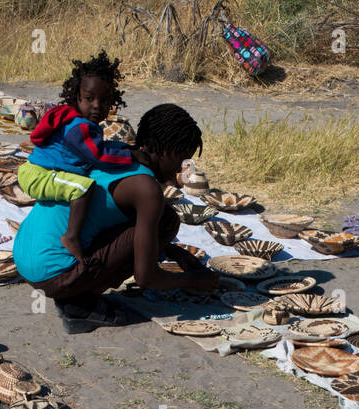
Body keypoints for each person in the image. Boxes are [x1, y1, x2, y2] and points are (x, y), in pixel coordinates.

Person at [13, 102, 219, 334]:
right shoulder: (147, 189)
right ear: (168, 151)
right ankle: (79, 305)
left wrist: (173, 252)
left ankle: (74, 292)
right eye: (182, 160)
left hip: (25, 254)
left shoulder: (117, 153)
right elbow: (146, 277)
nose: (182, 171)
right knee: (165, 222)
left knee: (158, 220)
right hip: (51, 274)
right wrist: (193, 280)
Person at [16, 51, 146, 262]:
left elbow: (99, 146)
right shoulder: (78, 127)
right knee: (84, 189)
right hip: (39, 174)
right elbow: (99, 155)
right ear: (76, 96)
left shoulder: (78, 121)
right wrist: (131, 156)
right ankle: (72, 237)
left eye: (104, 101)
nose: (97, 105)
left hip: (42, 171)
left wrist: (123, 149)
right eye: (89, 98)